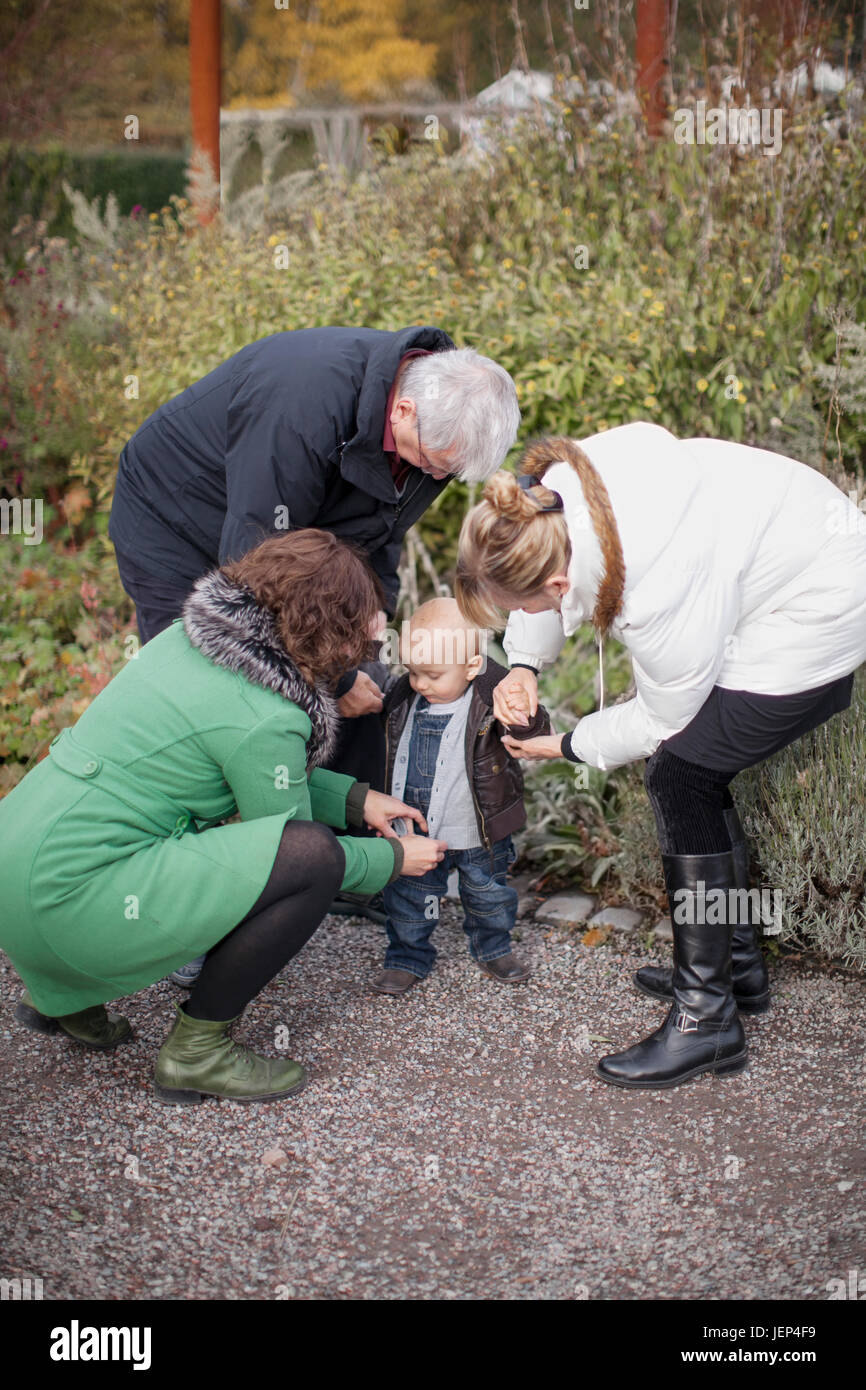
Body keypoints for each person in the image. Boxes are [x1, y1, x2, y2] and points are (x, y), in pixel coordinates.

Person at [455, 423, 866, 1090]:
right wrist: (524, 663)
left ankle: (709, 1021)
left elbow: (662, 720)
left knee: (681, 775)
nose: (525, 612)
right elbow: (536, 575)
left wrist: (564, 744)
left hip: (818, 608)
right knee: (689, 772)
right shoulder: (553, 499)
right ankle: (735, 968)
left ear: (558, 585)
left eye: (526, 608)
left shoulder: (654, 591)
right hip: (785, 559)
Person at [109, 325, 519, 962]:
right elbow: (255, 568)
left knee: (358, 682)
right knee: (213, 700)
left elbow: (373, 544)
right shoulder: (299, 403)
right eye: (433, 461)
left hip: (284, 530)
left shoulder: (427, 434)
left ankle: (327, 859)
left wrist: (354, 658)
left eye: (447, 471)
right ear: (403, 409)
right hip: (176, 520)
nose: (435, 475)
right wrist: (318, 673)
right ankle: (186, 905)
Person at [0, 531, 446, 1106]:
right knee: (312, 858)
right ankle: (198, 1052)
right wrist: (390, 859)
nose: (377, 632)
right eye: (365, 619)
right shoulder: (269, 717)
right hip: (69, 905)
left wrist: (359, 800)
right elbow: (290, 846)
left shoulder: (182, 642)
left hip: (19, 868)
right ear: (322, 622)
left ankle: (59, 996)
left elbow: (242, 759)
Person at [372, 598, 551, 994]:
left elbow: (530, 731)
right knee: (408, 898)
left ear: (473, 666)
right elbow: (380, 728)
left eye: (433, 674)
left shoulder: (491, 701)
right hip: (415, 829)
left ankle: (494, 947)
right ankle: (407, 954)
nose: (421, 683)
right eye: (413, 671)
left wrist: (520, 705)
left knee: (489, 895)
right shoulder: (405, 698)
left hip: (477, 829)